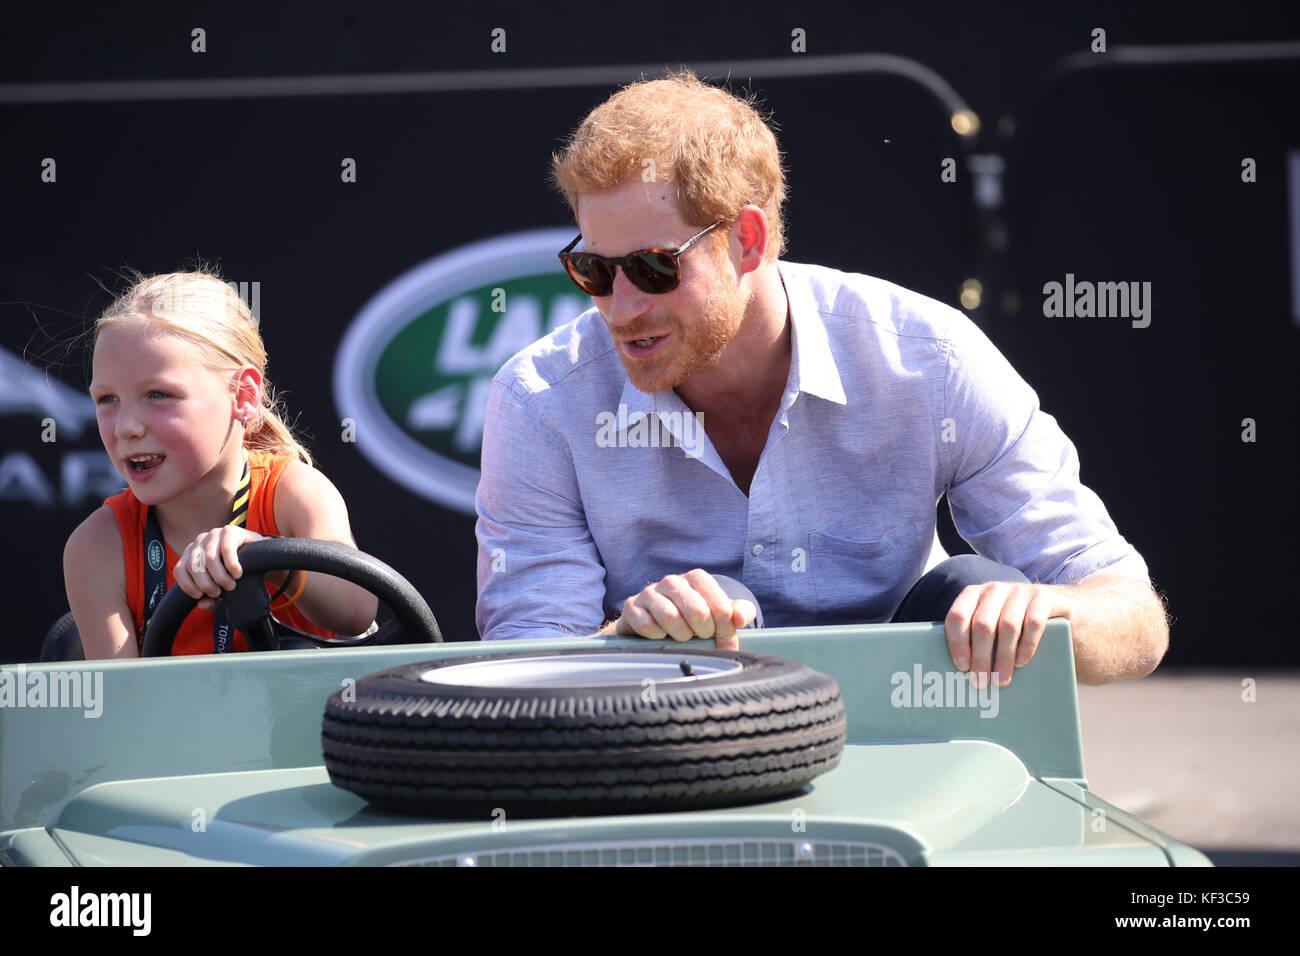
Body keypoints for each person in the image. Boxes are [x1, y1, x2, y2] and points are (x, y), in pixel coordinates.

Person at [475, 71, 1169, 686]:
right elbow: (528, 672)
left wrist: (1048, 615)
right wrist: (629, 644)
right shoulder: (539, 400)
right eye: (593, 269)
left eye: (654, 268)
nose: (620, 308)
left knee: (979, 589)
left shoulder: (927, 356)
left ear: (746, 241)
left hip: (912, 735)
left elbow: (1135, 621)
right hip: (671, 741)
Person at [64, 270, 377, 658]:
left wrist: (266, 556)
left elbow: (358, 610)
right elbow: (122, 707)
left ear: (244, 394)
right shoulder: (98, 544)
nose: (127, 427)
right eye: (107, 399)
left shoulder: (294, 493)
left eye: (158, 394)